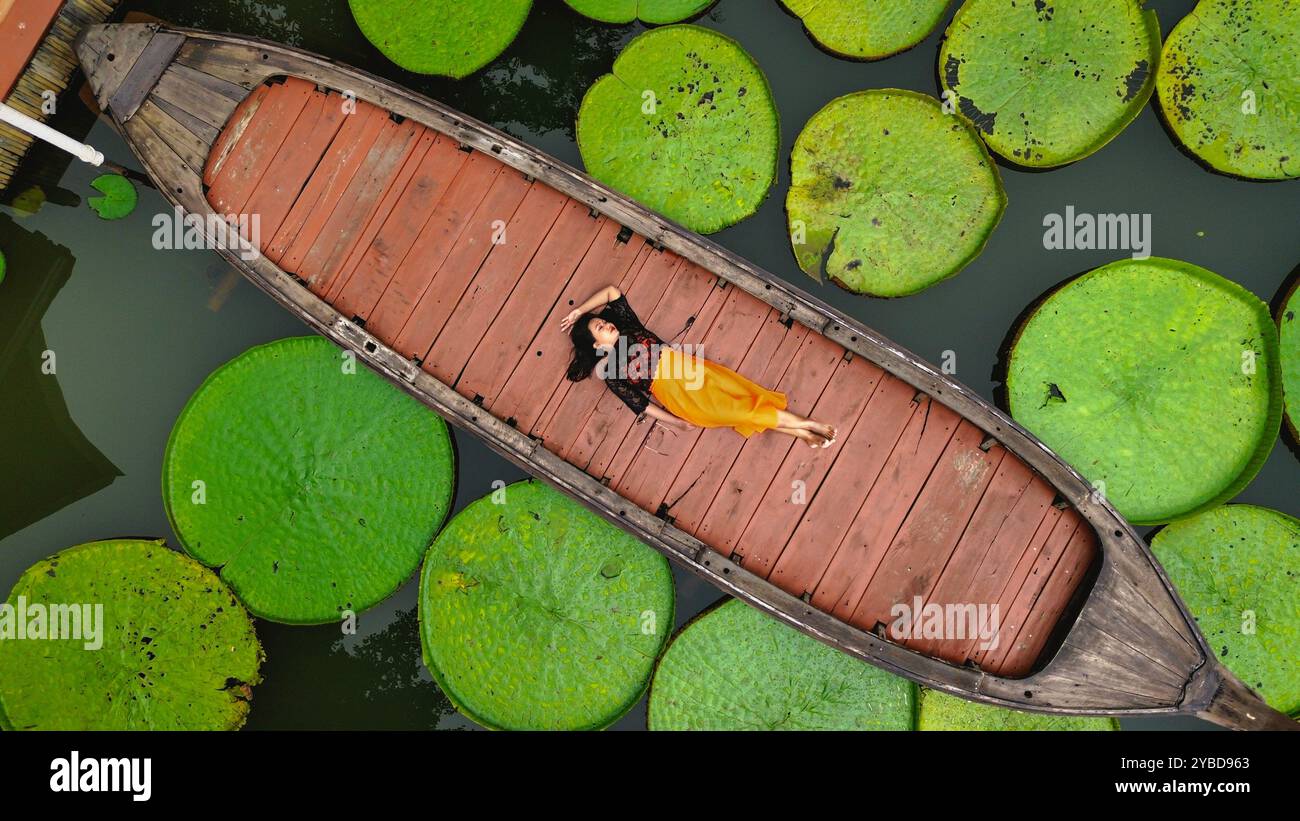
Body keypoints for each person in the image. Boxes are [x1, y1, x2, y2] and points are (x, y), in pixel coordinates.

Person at [561, 285, 837, 448]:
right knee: (743, 410)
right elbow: (642, 406)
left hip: (697, 370)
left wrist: (580, 311)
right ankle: (810, 424)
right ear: (597, 345)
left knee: (747, 402)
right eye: (600, 327)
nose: (607, 324)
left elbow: (612, 292)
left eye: (602, 321)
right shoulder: (612, 372)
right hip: (682, 397)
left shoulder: (628, 326)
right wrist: (677, 424)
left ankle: (802, 434)